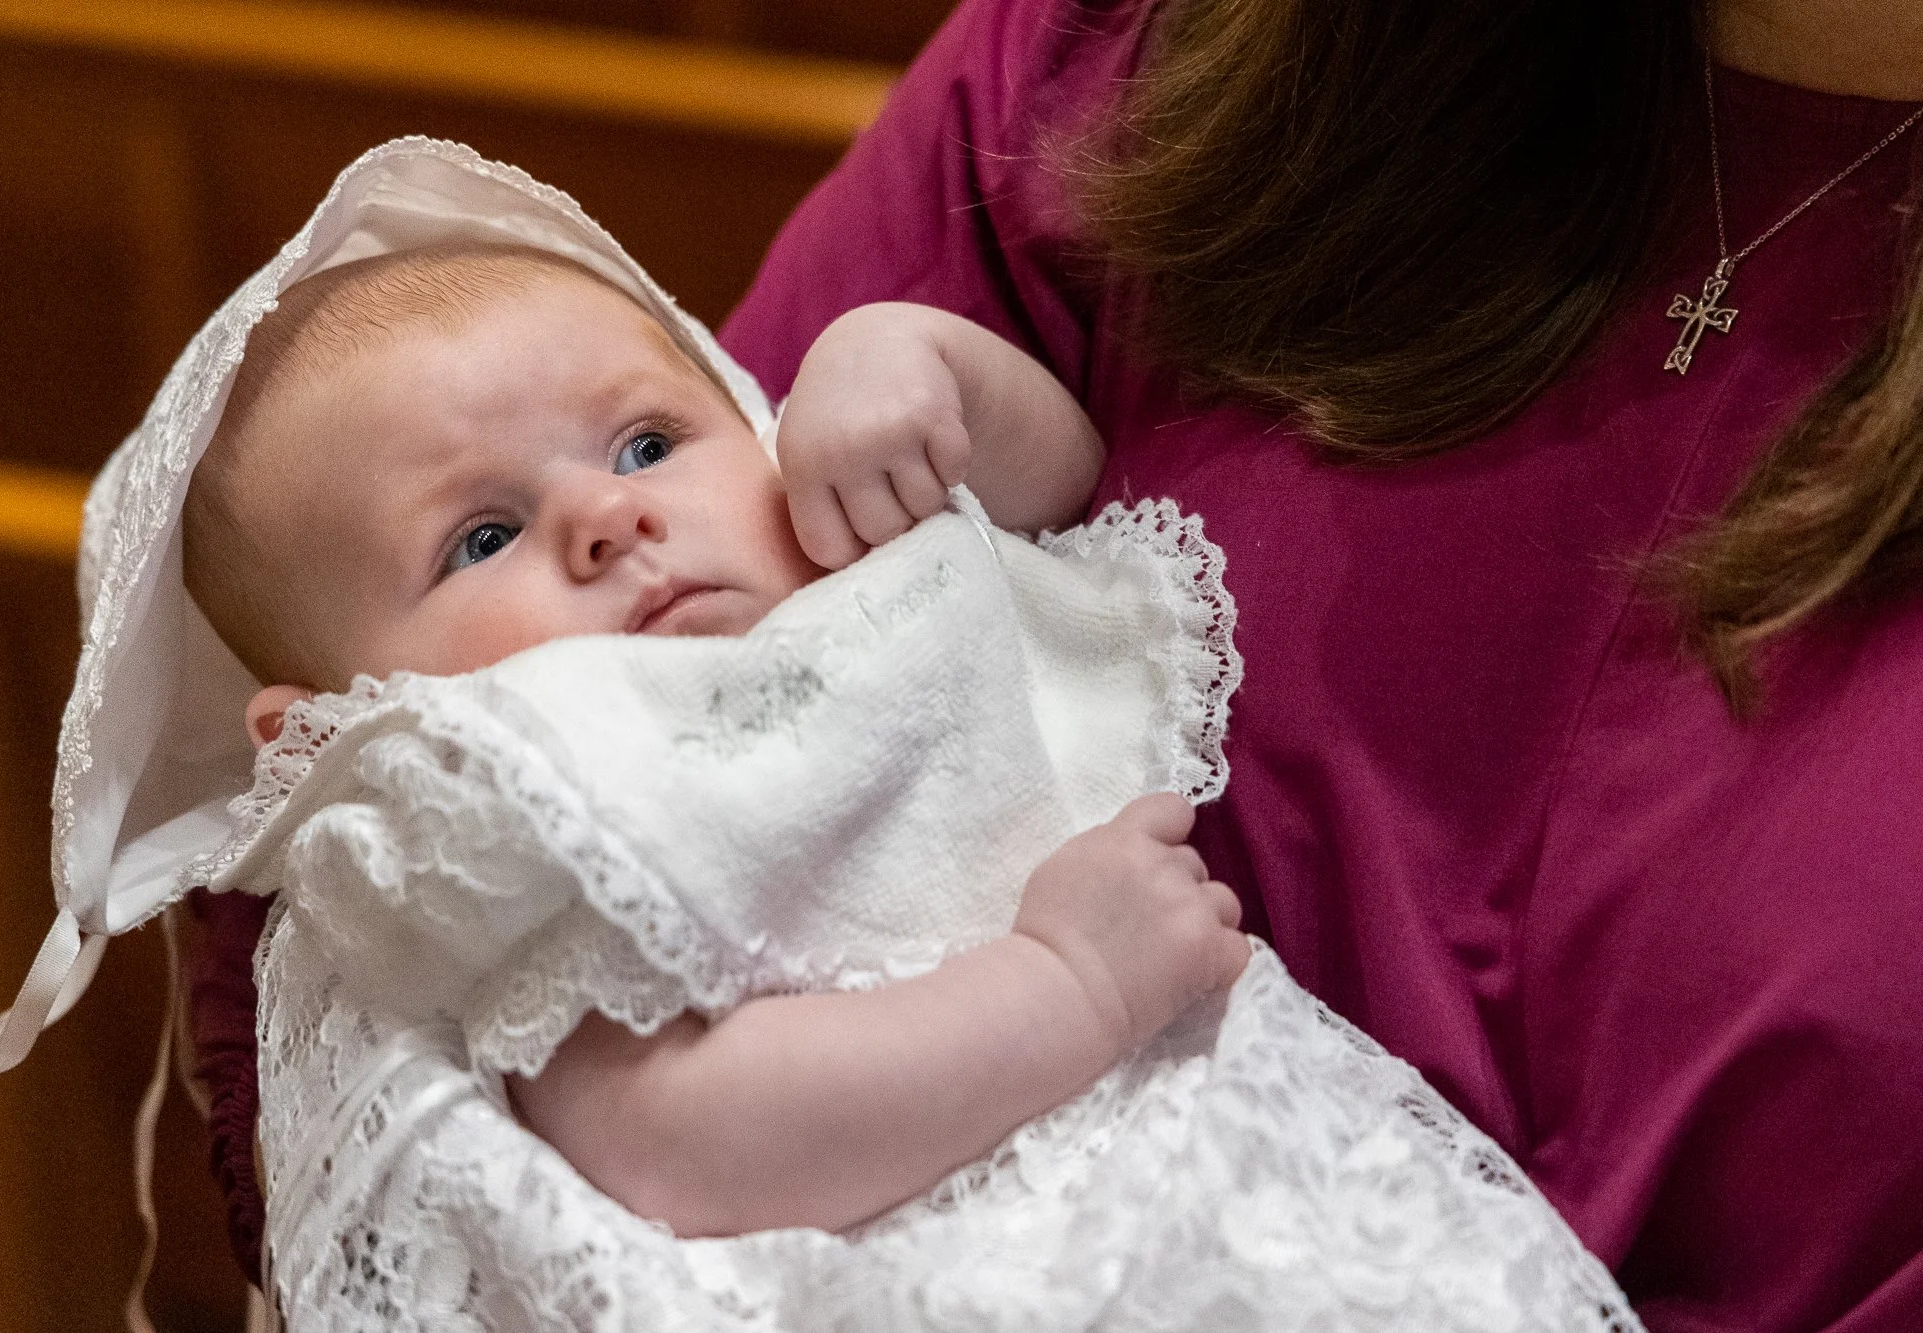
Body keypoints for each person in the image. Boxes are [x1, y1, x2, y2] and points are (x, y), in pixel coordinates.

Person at [182, 2, 1923, 1328]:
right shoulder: (1160, 56)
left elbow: (966, 479)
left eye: (632, 462)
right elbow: (495, 1058)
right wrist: (1064, 999)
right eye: (483, 536)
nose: (608, 526)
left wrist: (913, 369)